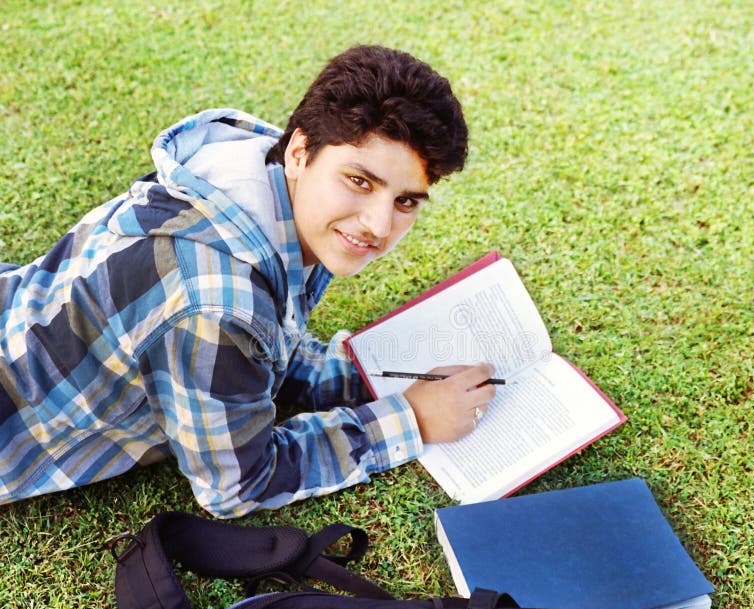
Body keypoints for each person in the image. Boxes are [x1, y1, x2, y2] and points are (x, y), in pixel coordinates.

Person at [0, 45, 496, 518]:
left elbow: (261, 346)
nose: (379, 226)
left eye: (406, 201)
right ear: (301, 151)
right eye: (360, 182)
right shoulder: (218, 301)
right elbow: (240, 482)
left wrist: (358, 376)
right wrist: (410, 421)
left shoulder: (250, 171)